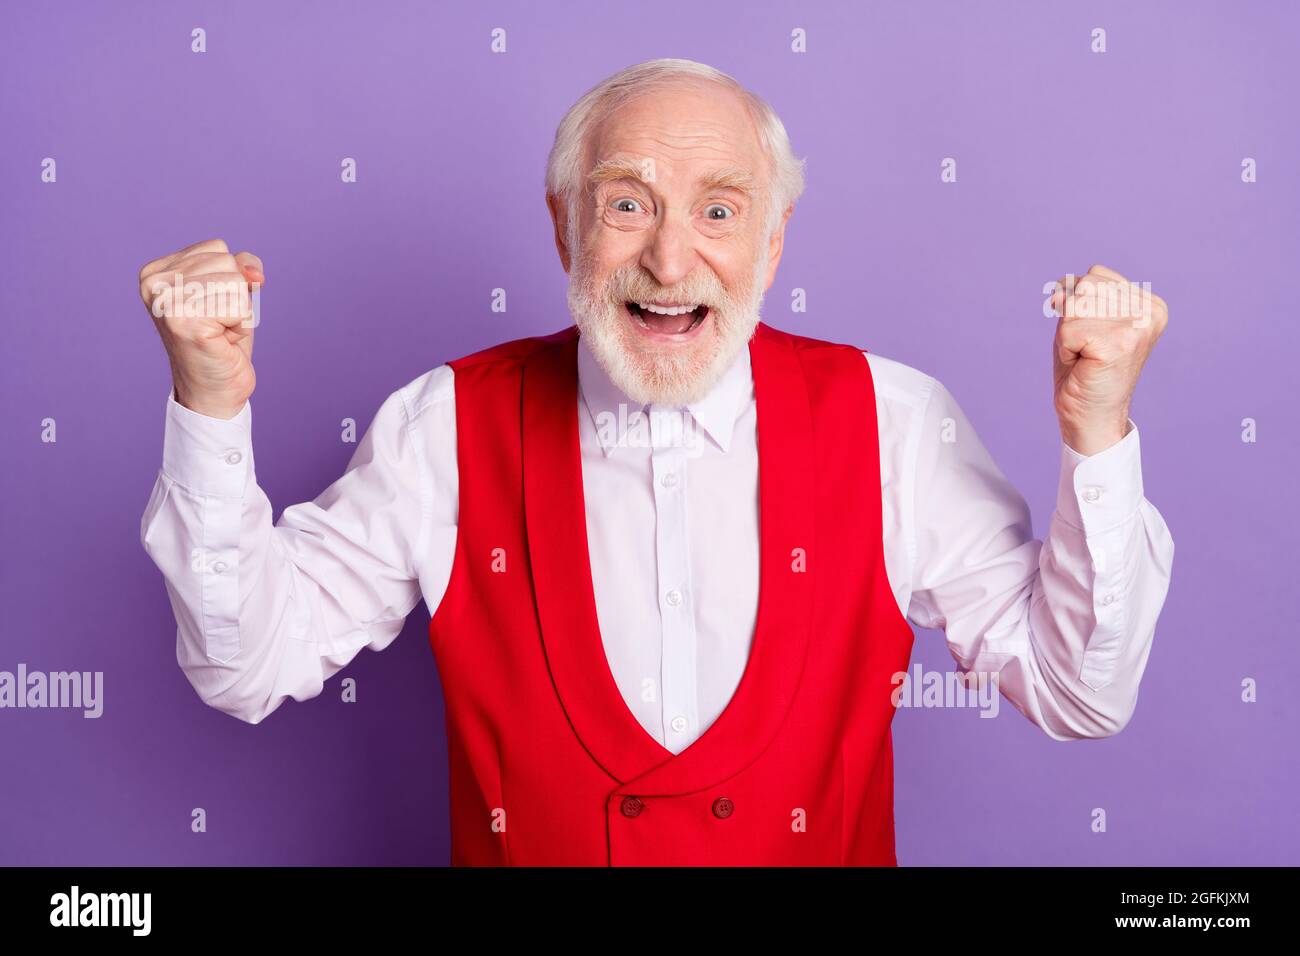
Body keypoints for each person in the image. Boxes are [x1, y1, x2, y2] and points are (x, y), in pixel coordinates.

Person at [138, 58, 1173, 865]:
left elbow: (1077, 693)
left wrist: (1096, 430)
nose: (671, 261)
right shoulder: (445, 425)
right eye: (627, 202)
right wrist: (211, 403)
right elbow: (246, 664)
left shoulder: (893, 421)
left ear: (771, 243)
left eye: (719, 210)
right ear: (564, 226)